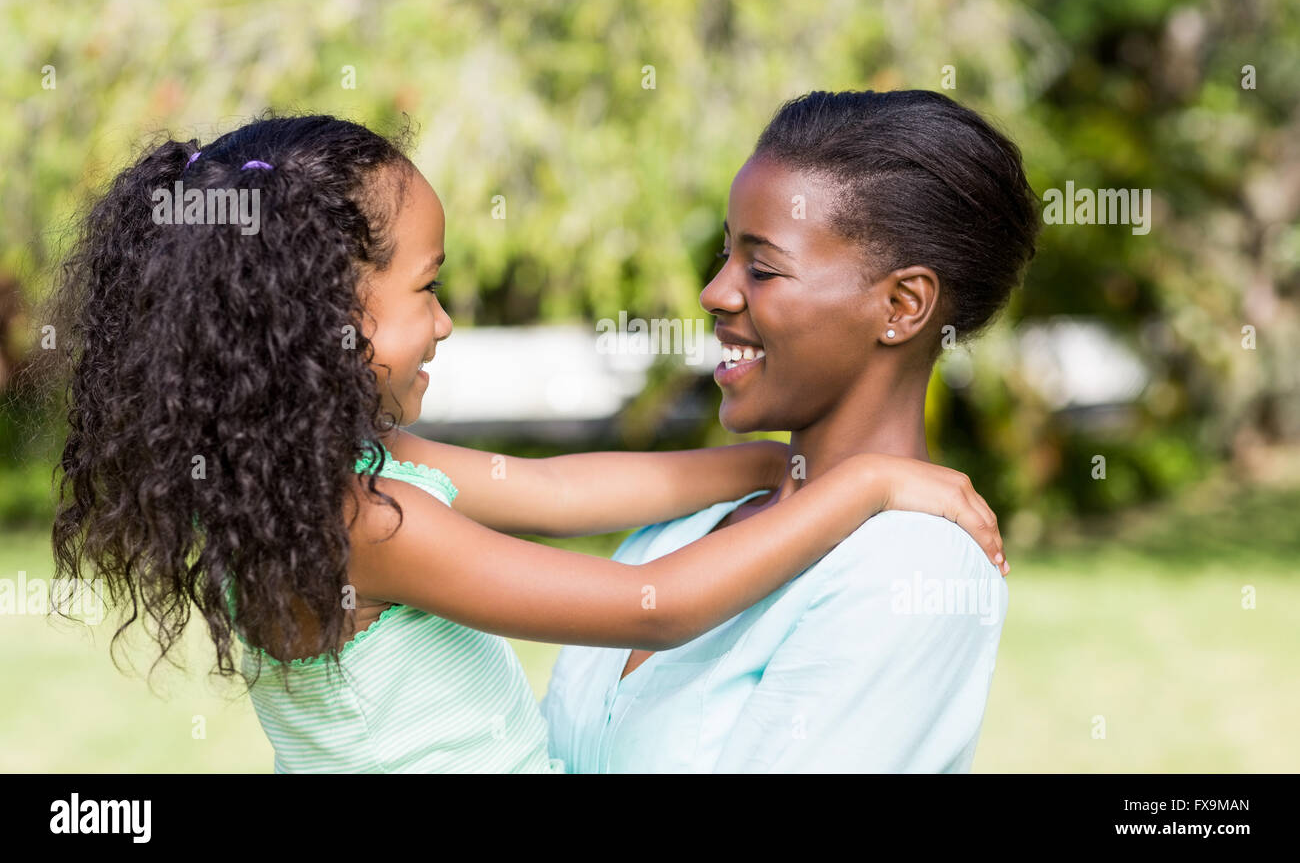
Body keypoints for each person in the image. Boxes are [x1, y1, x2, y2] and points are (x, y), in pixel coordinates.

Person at [47, 113, 1006, 773]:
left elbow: (556, 490)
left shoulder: (346, 480)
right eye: (428, 289)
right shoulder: (359, 524)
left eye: (758, 263)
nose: (449, 319)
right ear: (320, 321)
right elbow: (655, 605)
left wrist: (777, 467)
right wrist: (861, 485)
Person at [541, 89, 1040, 772]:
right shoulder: (683, 524)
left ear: (902, 305)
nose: (715, 293)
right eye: (724, 256)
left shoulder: (913, 569)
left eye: (763, 268)